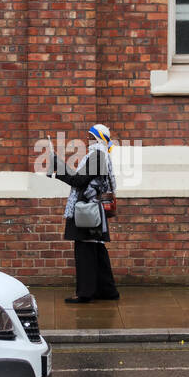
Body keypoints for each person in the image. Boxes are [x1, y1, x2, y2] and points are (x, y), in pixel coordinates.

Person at [49, 123, 120, 304]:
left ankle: (85, 293)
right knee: (97, 250)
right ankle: (107, 290)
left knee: (85, 251)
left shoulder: (97, 156)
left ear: (97, 138)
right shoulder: (99, 155)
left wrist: (57, 168)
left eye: (90, 135)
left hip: (87, 211)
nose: (87, 139)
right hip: (94, 211)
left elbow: (79, 180)